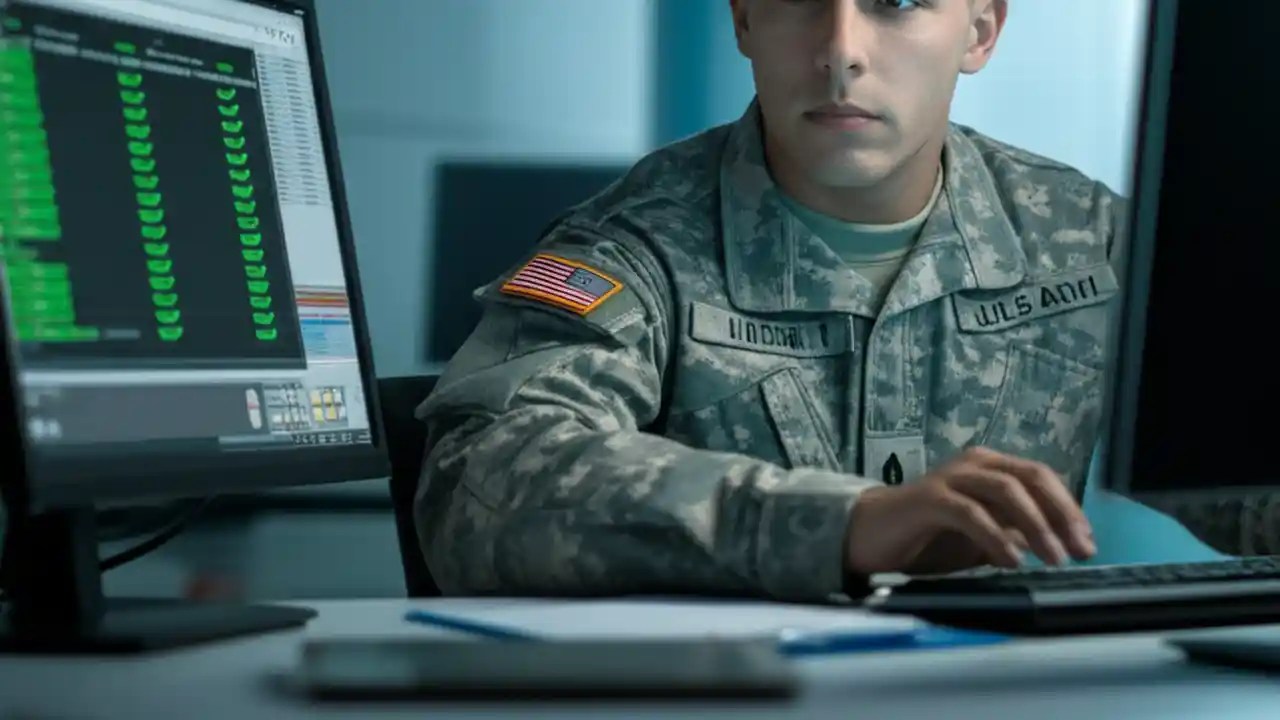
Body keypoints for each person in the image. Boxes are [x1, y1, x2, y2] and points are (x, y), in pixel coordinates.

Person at [413, 0, 1134, 601]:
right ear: (744, 20)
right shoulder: (638, 245)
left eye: (898, 2)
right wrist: (842, 524)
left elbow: (1232, 479)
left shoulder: (1089, 239)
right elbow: (478, 480)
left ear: (979, 29)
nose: (841, 51)